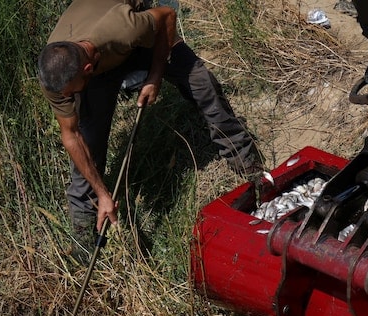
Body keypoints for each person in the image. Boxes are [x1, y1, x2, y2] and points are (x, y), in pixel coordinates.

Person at [37, 0, 263, 258]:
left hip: (143, 40)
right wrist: (103, 194)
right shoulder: (55, 72)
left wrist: (155, 76)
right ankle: (85, 240)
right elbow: (71, 136)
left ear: (87, 70)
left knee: (202, 84)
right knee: (88, 139)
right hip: (98, 67)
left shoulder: (122, 28)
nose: (68, 98)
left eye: (71, 93)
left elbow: (167, 16)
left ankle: (246, 162)